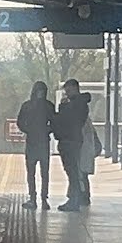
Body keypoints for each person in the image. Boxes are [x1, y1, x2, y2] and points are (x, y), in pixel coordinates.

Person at [52, 79, 91, 212]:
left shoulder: (77, 104)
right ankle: (75, 198)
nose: (67, 94)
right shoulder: (79, 103)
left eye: (68, 91)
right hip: (71, 140)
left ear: (75, 88)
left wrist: (61, 108)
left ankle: (74, 200)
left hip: (70, 141)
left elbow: (68, 120)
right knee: (72, 172)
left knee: (73, 172)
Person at [16, 81, 55, 210]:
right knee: (39, 172)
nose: (41, 93)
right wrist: (46, 130)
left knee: (38, 172)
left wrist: (29, 130)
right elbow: (54, 122)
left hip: (34, 142)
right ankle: (37, 198)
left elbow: (20, 122)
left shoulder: (27, 106)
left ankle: (39, 198)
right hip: (41, 142)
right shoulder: (48, 106)